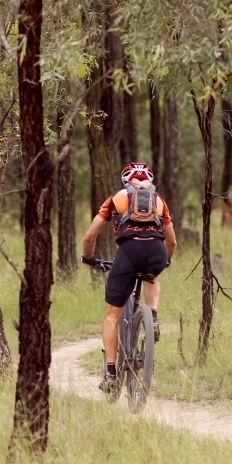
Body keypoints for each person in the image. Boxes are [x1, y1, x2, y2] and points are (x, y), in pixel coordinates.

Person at [80, 162, 177, 393]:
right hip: (157, 252)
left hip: (128, 254)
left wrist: (89, 258)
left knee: (112, 316)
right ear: (149, 181)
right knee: (151, 276)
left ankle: (111, 375)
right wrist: (166, 259)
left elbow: (89, 237)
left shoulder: (115, 199)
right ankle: (152, 315)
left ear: (126, 181)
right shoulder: (159, 201)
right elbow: (172, 241)